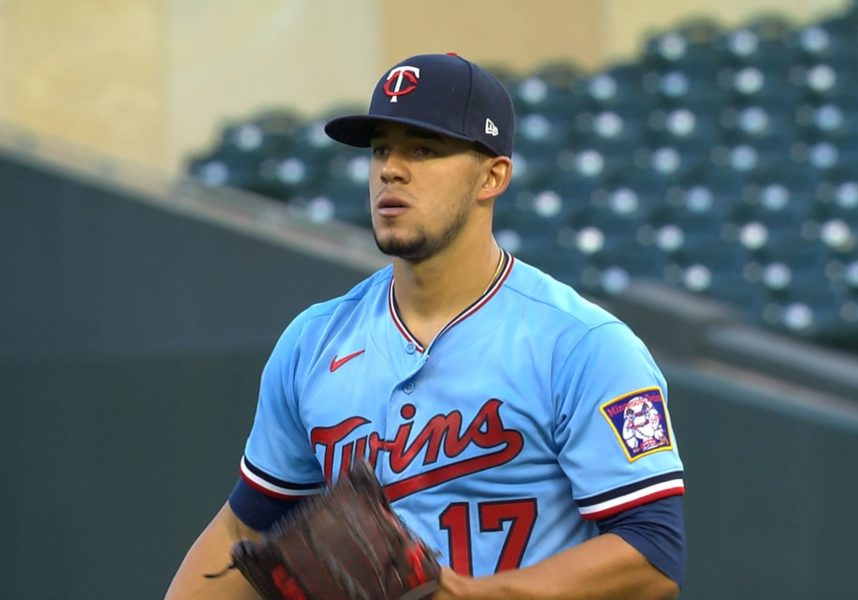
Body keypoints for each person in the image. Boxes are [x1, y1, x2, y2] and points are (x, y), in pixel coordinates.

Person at [166, 52, 686, 600]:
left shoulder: (583, 346)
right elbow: (243, 527)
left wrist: (467, 595)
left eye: (423, 149)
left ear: (493, 175)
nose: (391, 168)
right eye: (380, 150)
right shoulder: (313, 342)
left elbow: (653, 556)